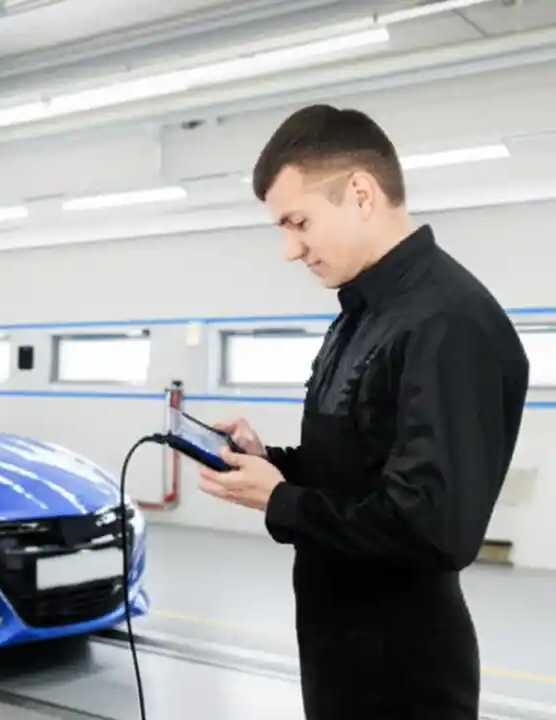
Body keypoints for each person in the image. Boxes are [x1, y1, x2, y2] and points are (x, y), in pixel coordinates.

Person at [197, 104, 529, 720]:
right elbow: (355, 463)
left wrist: (283, 501)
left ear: (360, 193)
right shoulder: (362, 314)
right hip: (341, 649)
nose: (289, 250)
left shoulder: (448, 322)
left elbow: (433, 526)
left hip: (401, 672)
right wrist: (268, 464)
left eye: (298, 222)